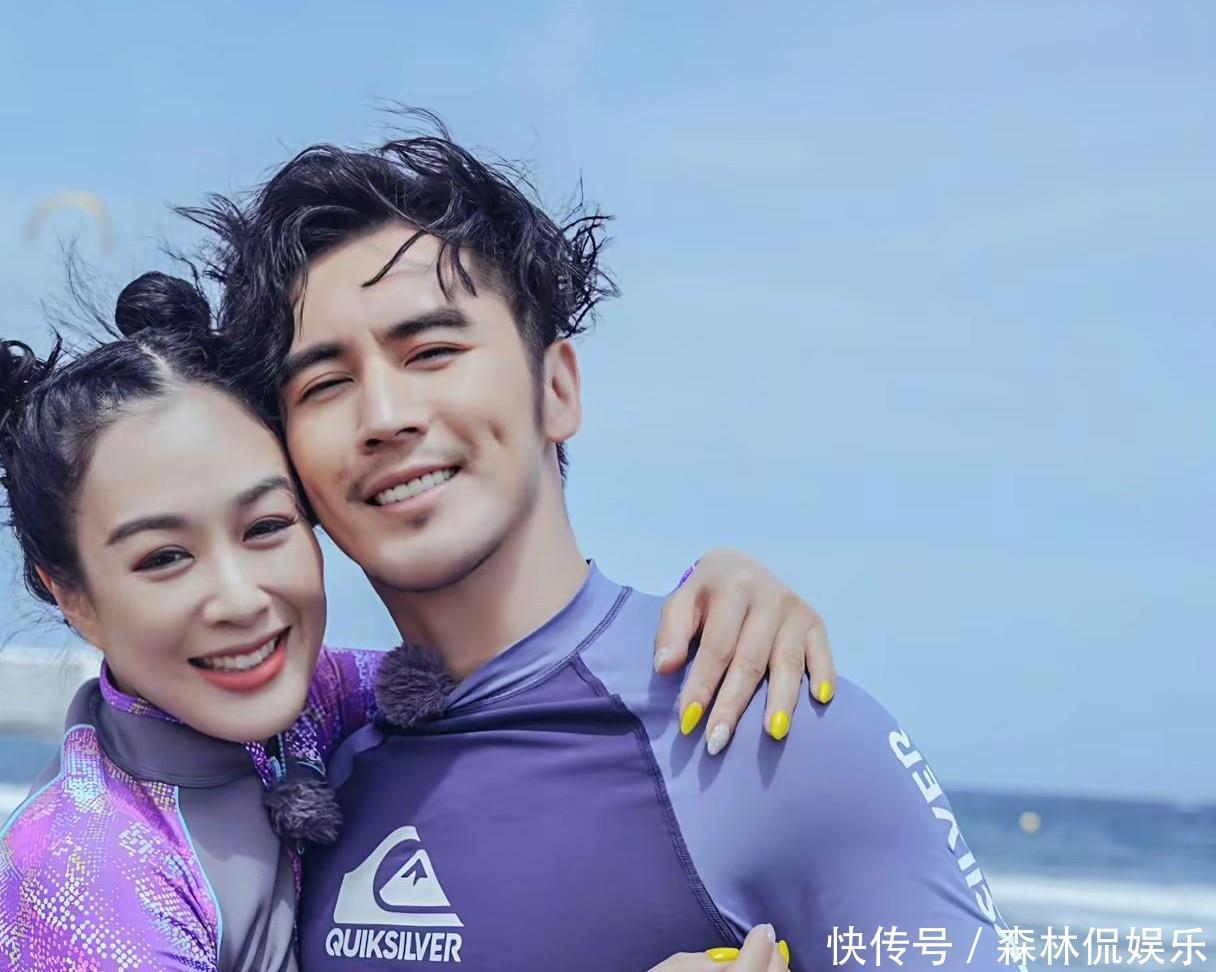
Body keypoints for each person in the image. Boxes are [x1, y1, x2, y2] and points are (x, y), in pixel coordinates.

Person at [192, 122, 1018, 970]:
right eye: (326, 384)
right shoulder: (313, 776)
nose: (385, 417)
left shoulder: (770, 731)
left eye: (432, 351)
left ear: (557, 388)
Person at [0, 272, 833, 970]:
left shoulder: (315, 702)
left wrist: (713, 597)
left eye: (267, 528)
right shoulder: (73, 872)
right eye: (164, 558)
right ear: (70, 594)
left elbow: (493, 660)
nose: (239, 598)